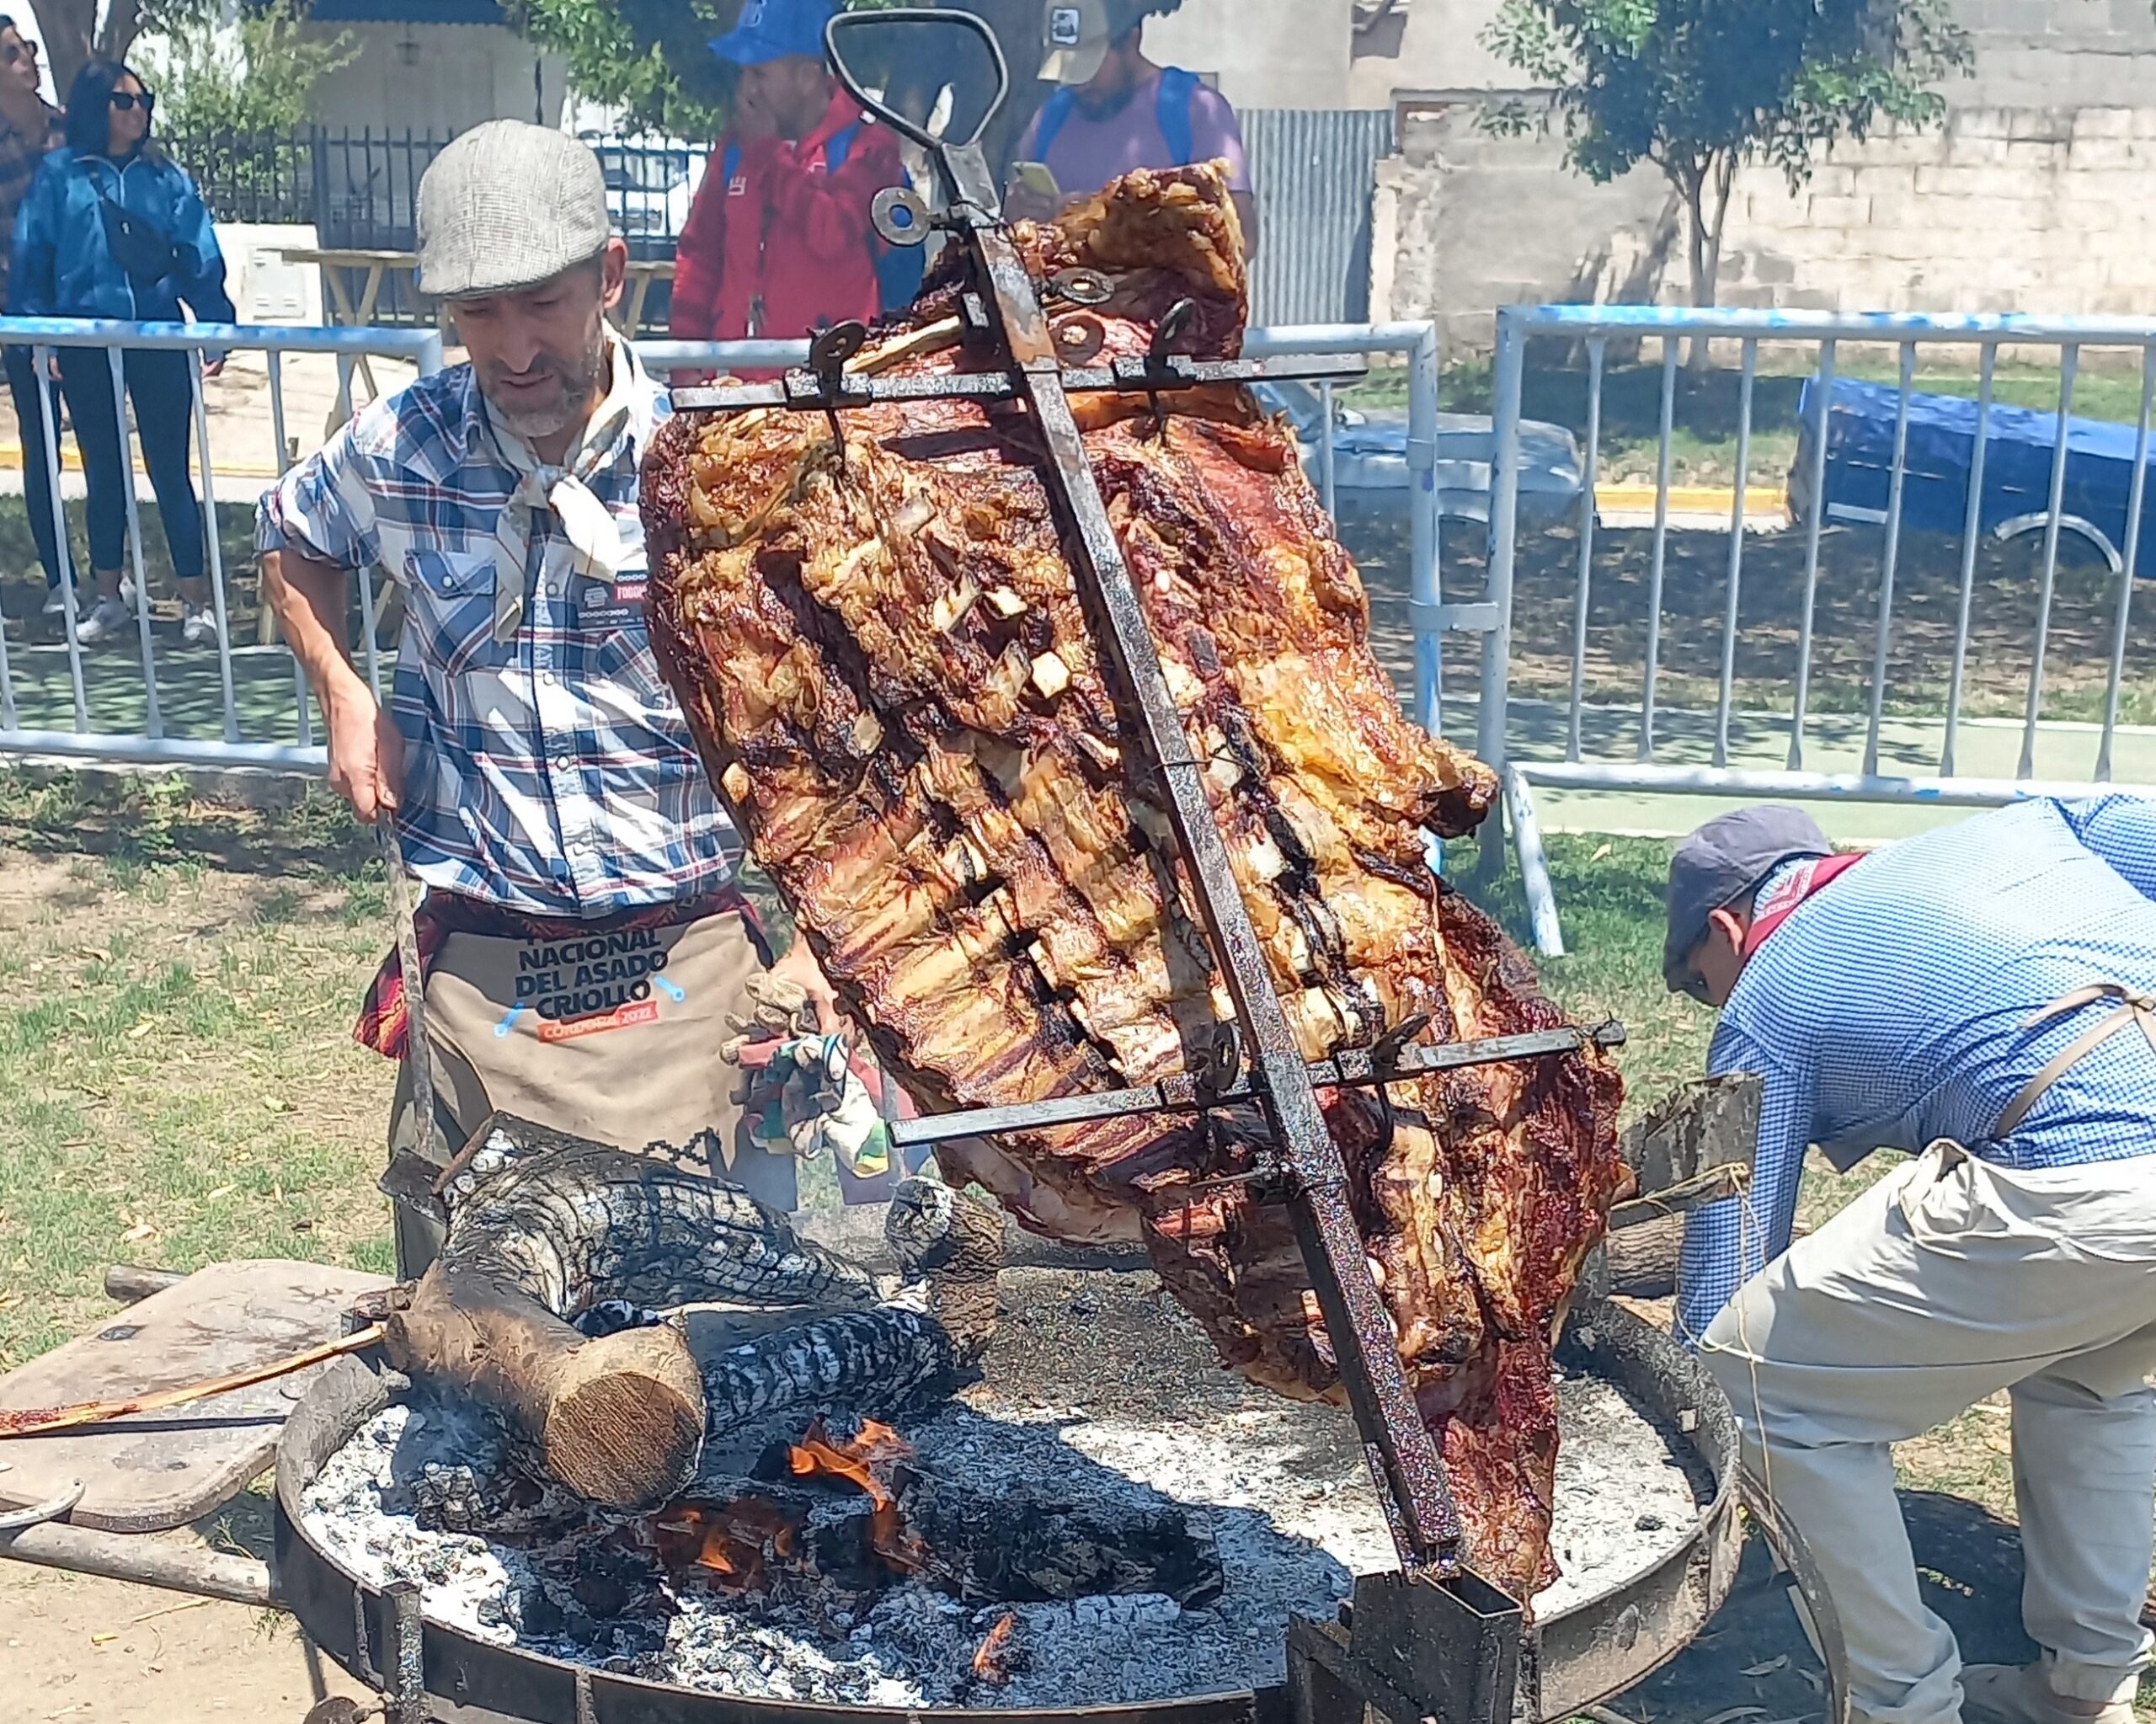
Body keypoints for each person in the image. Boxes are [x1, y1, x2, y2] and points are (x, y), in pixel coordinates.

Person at [255, 122, 836, 1276]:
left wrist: (820, 938)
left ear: (610, 277)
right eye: (478, 314)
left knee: (729, 1349)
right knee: (479, 1351)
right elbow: (291, 540)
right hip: (486, 979)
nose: (513, 348)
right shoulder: (401, 444)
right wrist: (343, 692)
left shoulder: (712, 467)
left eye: (542, 304)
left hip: (688, 979)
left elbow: (823, 725)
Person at [1662, 798, 2156, 1724]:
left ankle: (1900, 1705)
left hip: (2083, 1177)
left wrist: (1693, 1430)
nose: (1713, 1005)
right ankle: (2081, 1692)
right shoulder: (2036, 825)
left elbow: (1724, 1264)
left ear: (1726, 929)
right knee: (2090, 1374)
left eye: (1698, 981)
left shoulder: (1769, 994)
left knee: (1755, 1379)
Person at [12, 60, 231, 648]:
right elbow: (34, 258)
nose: (140, 111)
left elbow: (198, 251)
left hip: (157, 339)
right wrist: (42, 333)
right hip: (85, 345)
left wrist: (214, 320)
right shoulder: (60, 176)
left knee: (170, 471)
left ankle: (197, 603)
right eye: (125, 100)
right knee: (103, 472)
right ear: (95, 107)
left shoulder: (164, 176)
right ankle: (108, 597)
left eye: (145, 99)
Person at [669, 0, 910, 348]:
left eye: (760, 74)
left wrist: (769, 155)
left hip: (830, 388)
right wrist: (687, 366)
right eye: (744, 73)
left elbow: (832, 234)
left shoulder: (868, 148)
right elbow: (698, 258)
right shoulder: (735, 149)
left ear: (808, 77)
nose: (746, 90)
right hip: (732, 384)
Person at [1005, 0, 1256, 253]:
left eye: (1089, 68)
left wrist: (1105, 217)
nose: (1079, 85)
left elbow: (1243, 240)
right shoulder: (1051, 116)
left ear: (1132, 41)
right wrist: (1017, 213)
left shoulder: (1195, 112)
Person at [0, 19, 66, 621]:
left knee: (105, 447)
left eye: (30, 50)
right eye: (13, 54)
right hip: (22, 317)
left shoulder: (69, 128)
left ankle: (108, 580)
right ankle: (59, 577)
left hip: (85, 313)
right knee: (40, 444)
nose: (28, 61)